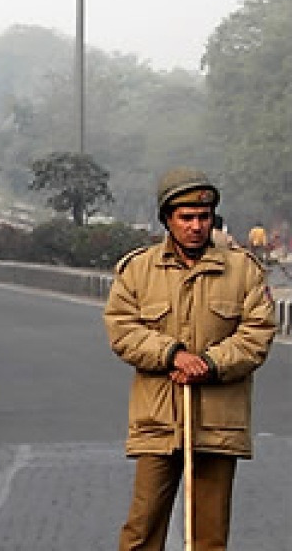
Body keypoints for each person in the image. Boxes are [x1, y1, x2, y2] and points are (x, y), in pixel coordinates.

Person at [104, 167, 274, 551]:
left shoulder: (244, 270)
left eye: (204, 217)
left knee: (208, 537)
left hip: (218, 423)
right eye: (186, 217)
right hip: (158, 421)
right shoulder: (137, 271)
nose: (196, 226)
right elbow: (122, 329)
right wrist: (172, 355)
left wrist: (210, 365)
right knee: (141, 531)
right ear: (167, 219)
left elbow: (257, 334)